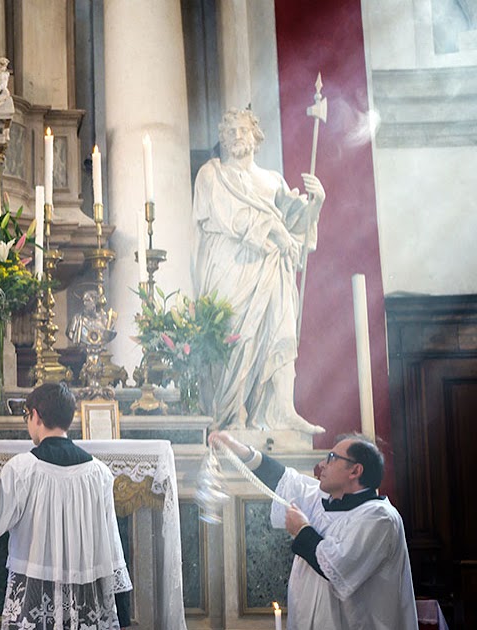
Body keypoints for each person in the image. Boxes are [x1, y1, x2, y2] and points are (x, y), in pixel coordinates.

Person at [0, 383, 132, 629]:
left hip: (35, 600)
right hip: (85, 598)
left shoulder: (22, 469)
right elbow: (111, 545)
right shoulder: (99, 473)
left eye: (27, 416)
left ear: (35, 415)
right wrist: (122, 606)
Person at [193, 108, 326, 434]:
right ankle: (232, 412)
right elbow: (225, 215)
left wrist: (317, 202)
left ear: (255, 137)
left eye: (244, 130)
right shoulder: (213, 174)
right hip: (230, 267)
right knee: (233, 335)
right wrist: (273, 230)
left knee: (278, 332)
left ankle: (281, 410)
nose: (238, 136)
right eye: (231, 131)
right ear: (223, 140)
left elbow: (296, 228)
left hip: (271, 269)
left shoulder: (272, 181)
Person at [208, 431, 416, 628]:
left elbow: (337, 569)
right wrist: (236, 447)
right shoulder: (321, 498)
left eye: (332, 457)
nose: (321, 464)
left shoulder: (380, 518)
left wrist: (302, 530)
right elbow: (282, 478)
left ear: (355, 470)